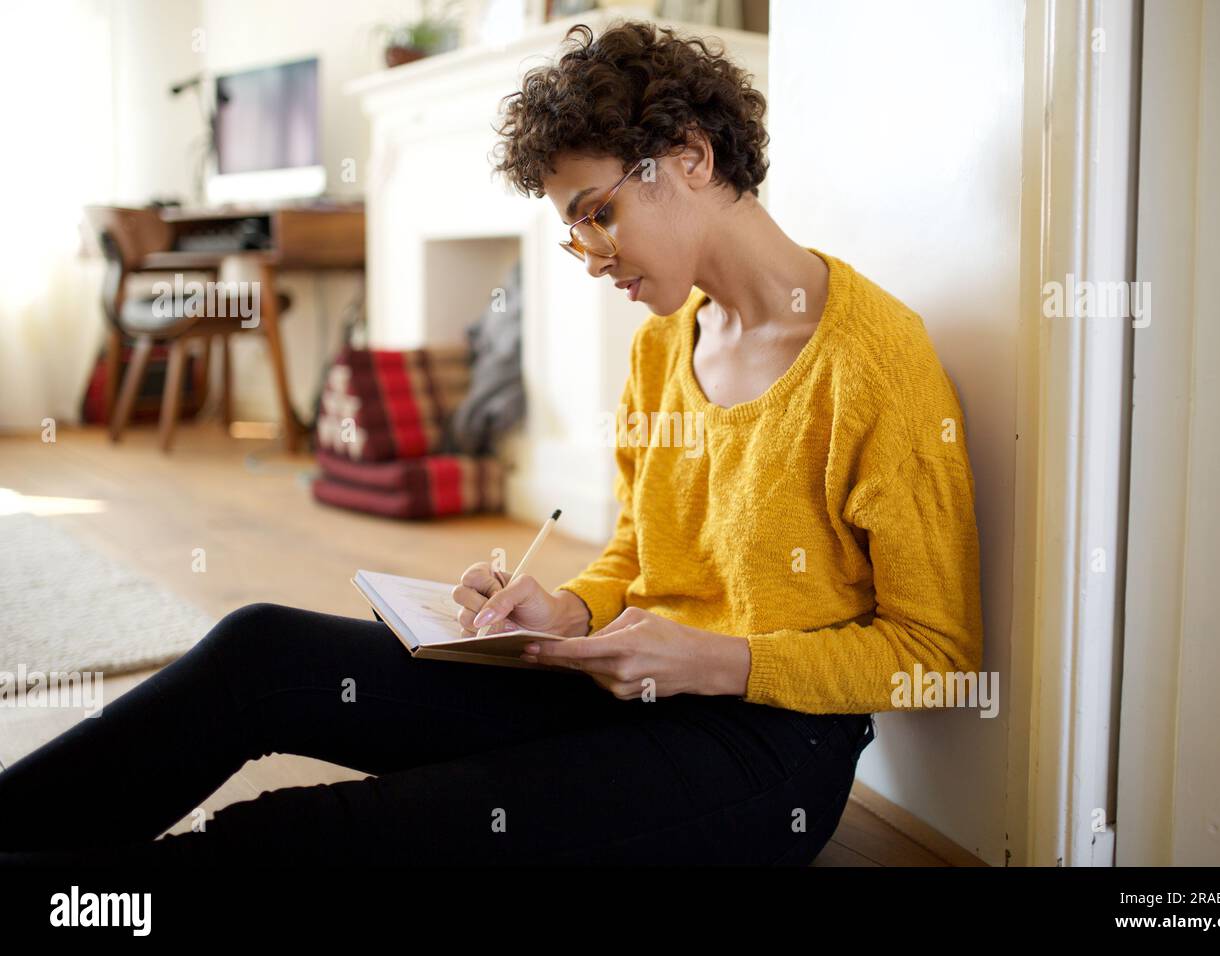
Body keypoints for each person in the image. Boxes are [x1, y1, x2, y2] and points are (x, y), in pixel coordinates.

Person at [0, 19, 981, 867]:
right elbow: (640, 551)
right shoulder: (661, 347)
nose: (591, 257)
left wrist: (717, 660)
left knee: (307, 834)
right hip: (628, 684)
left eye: (598, 213)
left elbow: (935, 654)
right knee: (260, 651)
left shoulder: (872, 362)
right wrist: (565, 607)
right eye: (573, 232)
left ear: (690, 155)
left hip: (767, 750)